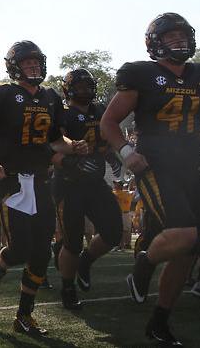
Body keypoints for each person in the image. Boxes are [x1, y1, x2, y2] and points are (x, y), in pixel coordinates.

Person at [100, 13, 200, 347]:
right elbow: (109, 122)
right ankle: (144, 264)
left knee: (190, 245)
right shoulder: (141, 74)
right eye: (171, 37)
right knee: (184, 233)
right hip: (154, 166)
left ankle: (159, 323)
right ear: (155, 43)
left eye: (182, 36)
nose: (179, 41)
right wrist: (126, 152)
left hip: (189, 167)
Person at [0, 41, 88, 336]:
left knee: (42, 253)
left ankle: (24, 315)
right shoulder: (2, 93)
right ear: (15, 67)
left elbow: (56, 140)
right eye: (27, 63)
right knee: (20, 248)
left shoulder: (50, 97)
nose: (34, 67)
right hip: (11, 180)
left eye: (37, 62)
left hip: (40, 181)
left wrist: (74, 146)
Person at [51, 69, 124, 311]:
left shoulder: (100, 110)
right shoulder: (62, 113)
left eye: (88, 86)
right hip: (68, 184)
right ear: (69, 90)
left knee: (113, 232)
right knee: (72, 243)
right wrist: (70, 162)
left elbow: (105, 140)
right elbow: (50, 148)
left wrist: (112, 155)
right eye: (80, 87)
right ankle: (68, 288)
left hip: (94, 184)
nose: (85, 91)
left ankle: (86, 261)